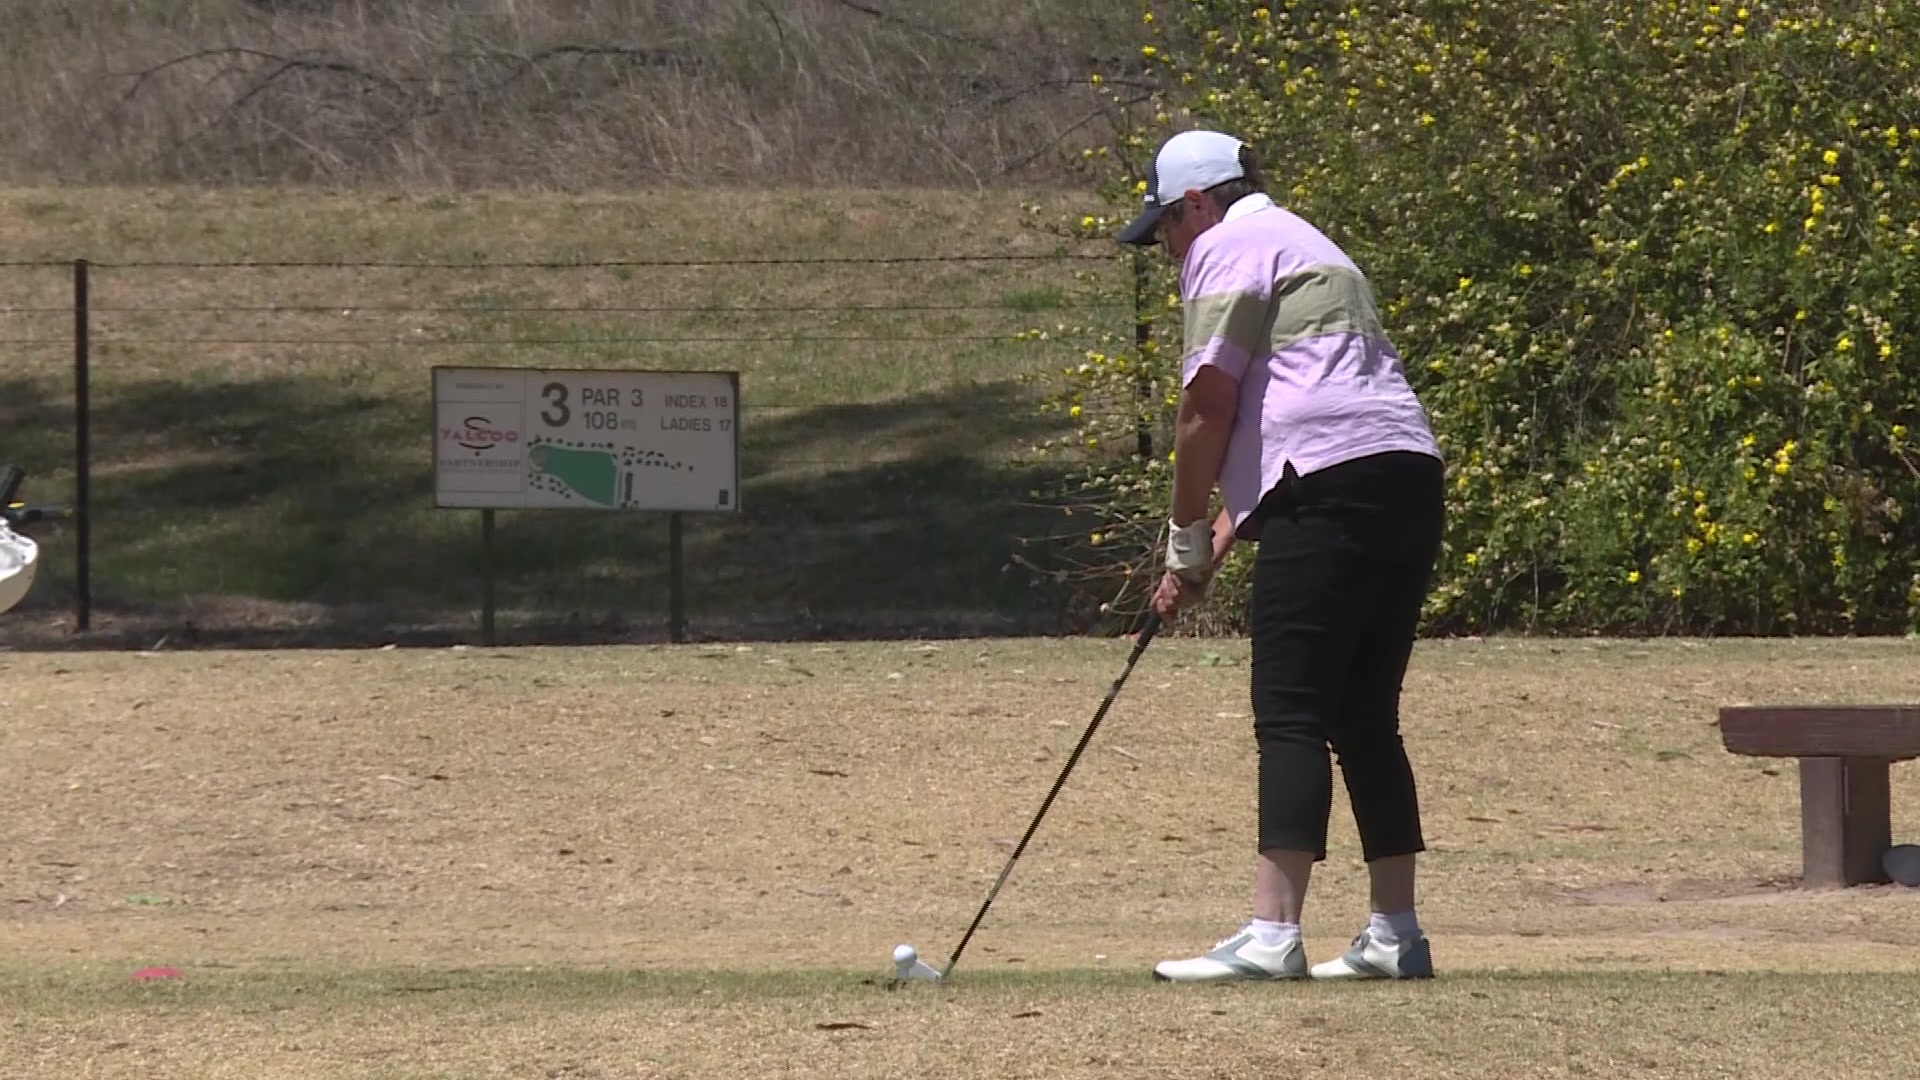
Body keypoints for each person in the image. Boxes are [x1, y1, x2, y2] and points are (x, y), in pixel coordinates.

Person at [1116, 129, 1446, 982]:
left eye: (1163, 227)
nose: (1164, 247)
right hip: (1406, 476)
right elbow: (1301, 427)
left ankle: (1271, 935)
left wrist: (1185, 535)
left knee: (1291, 705)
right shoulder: (1307, 240)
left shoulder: (1225, 246)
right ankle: (1394, 936)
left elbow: (1205, 409)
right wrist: (1203, 558)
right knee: (1365, 713)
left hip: (1328, 484)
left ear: (1197, 202)